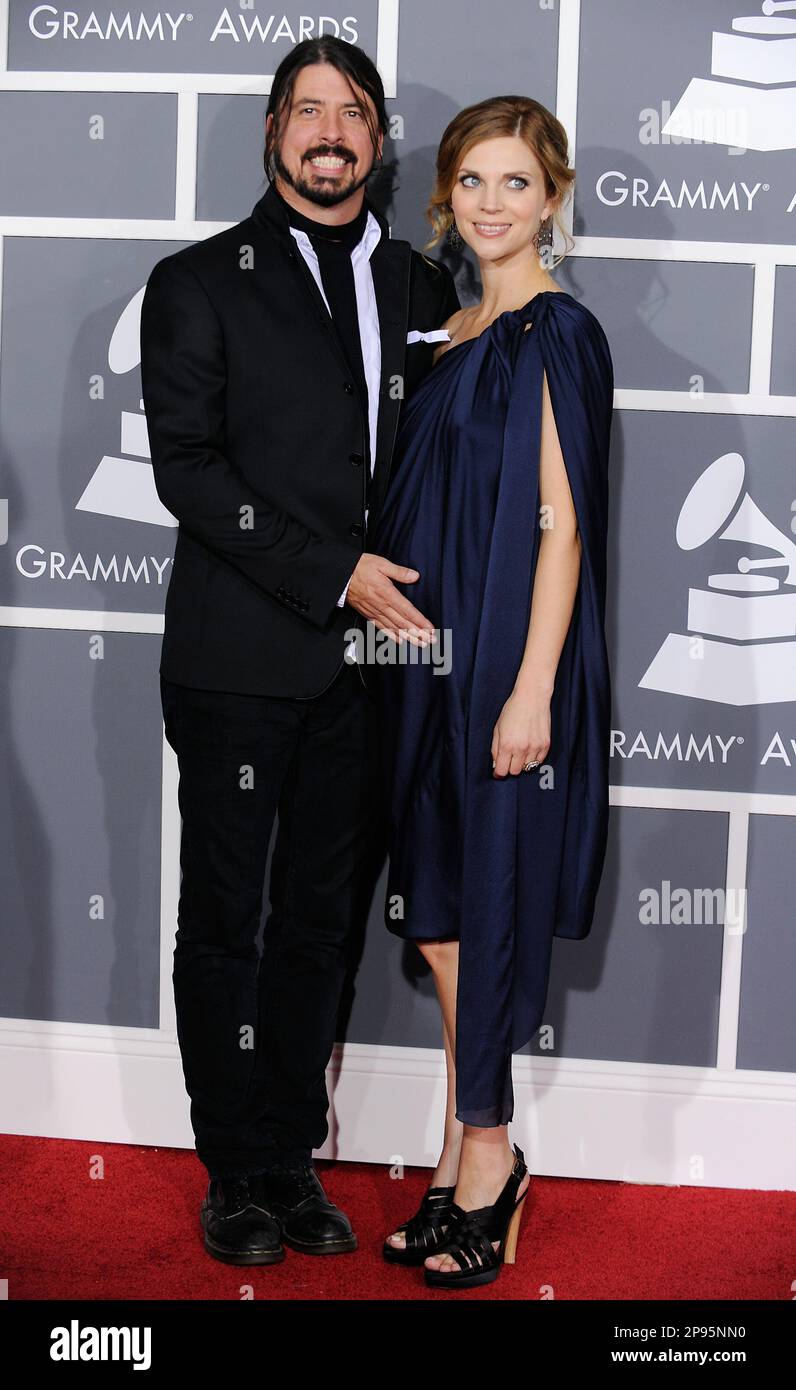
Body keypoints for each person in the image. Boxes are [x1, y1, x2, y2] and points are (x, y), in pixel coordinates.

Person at [140, 35, 459, 1267]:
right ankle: (230, 1168)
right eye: (309, 111)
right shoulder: (198, 280)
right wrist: (331, 574)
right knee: (228, 918)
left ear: (375, 142)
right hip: (237, 660)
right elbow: (189, 472)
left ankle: (287, 1154)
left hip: (369, 677)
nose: (332, 133)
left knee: (321, 919)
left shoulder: (426, 288)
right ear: (275, 132)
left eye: (354, 114)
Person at [369, 95, 615, 1289]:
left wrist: (530, 693)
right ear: (446, 196)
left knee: (491, 914)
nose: (491, 204)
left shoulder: (555, 335)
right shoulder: (451, 331)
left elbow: (562, 533)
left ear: (554, 197)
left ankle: (485, 1159)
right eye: (472, 180)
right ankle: (477, 1147)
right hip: (423, 667)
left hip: (506, 671)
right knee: (445, 923)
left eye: (516, 183)